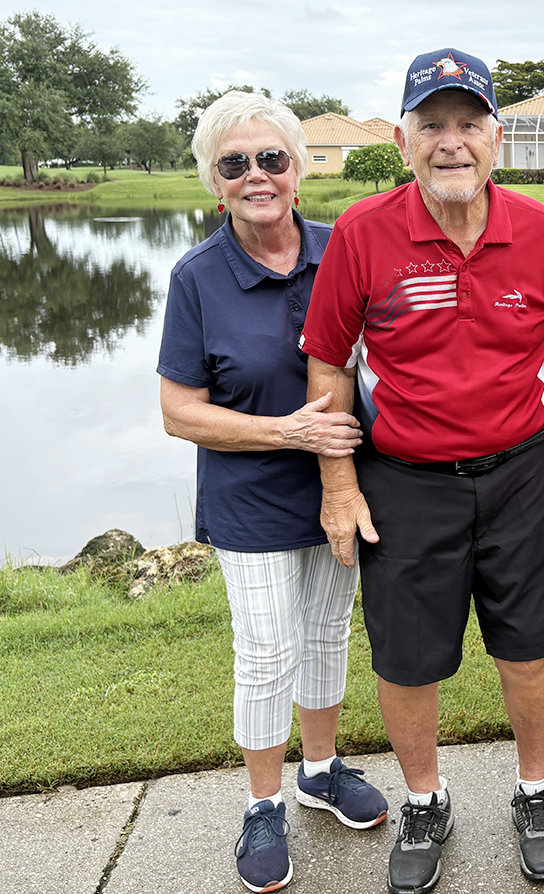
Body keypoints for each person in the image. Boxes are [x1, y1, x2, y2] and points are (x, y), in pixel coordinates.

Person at [299, 48, 544, 894]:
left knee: (529, 648)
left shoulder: (536, 230)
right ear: (403, 138)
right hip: (405, 481)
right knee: (406, 659)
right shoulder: (363, 231)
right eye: (433, 125)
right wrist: (339, 484)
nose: (451, 142)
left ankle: (535, 792)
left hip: (521, 473)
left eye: (468, 124)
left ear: (496, 137)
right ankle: (426, 800)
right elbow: (327, 364)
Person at [158, 91, 387, 894]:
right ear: (212, 182)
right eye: (234, 164)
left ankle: (319, 771)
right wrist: (287, 432)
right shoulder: (197, 278)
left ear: (296, 171)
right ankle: (263, 804)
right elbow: (179, 412)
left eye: (272, 159)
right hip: (250, 496)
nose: (256, 175)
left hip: (343, 488)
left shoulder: (345, 248)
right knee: (265, 650)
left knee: (327, 634)